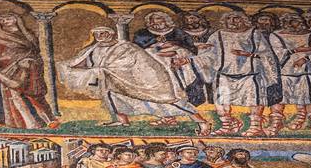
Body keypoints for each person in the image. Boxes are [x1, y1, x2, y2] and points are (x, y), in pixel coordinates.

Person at [65, 25, 212, 133]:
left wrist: (107, 69)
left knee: (167, 101)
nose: (101, 36)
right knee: (112, 97)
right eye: (98, 34)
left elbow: (135, 62)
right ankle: (122, 122)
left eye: (104, 33)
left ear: (111, 33)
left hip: (138, 81)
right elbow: (85, 61)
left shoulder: (124, 46)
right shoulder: (93, 49)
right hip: (113, 81)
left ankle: (202, 122)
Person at [197, 12, 279, 137]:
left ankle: (255, 127)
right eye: (228, 18)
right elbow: (209, 54)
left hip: (250, 73)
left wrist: (248, 55)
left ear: (244, 20)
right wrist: (202, 49)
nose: (232, 21)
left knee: (254, 99)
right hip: (224, 73)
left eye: (236, 18)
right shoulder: (217, 35)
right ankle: (228, 125)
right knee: (221, 101)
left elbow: (265, 54)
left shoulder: (254, 34)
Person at [0, 13, 58, 129]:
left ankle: (48, 119)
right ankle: (0, 120)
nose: (5, 21)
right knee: (0, 94)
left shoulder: (26, 34)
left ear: (16, 19)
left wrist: (28, 61)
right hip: (0, 67)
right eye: (2, 19)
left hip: (23, 67)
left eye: (8, 18)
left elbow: (35, 50)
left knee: (32, 94)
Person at [267, 14, 311, 135]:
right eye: (290, 22)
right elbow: (275, 52)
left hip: (307, 71)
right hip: (284, 72)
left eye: (296, 22)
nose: (293, 25)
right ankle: (276, 121)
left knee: (309, 95)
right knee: (279, 97)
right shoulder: (276, 35)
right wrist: (296, 50)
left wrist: (306, 58)